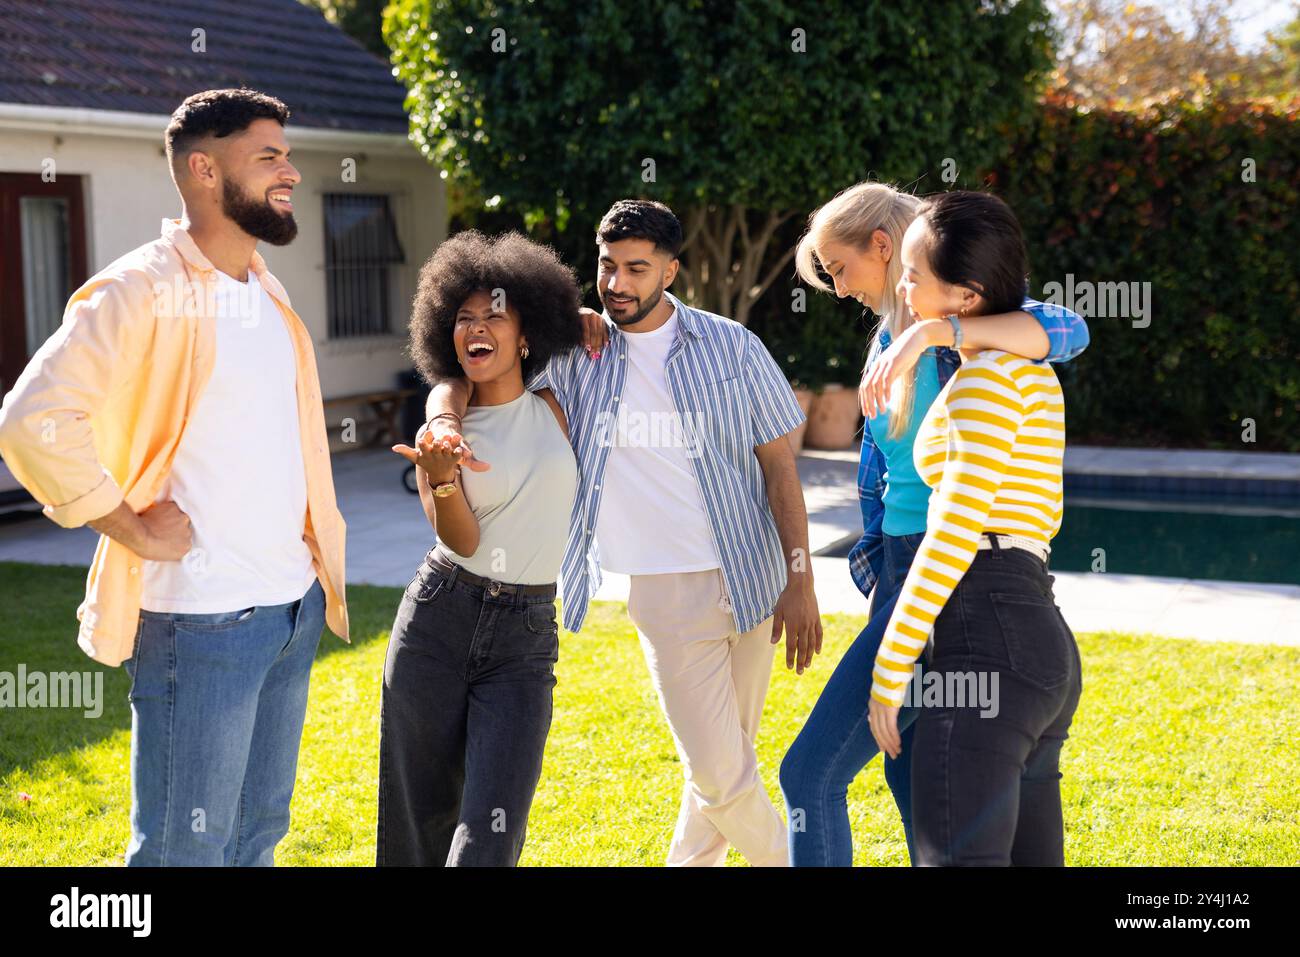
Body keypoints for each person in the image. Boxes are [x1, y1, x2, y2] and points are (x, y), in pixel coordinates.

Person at [0, 89, 348, 866]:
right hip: (203, 625)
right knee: (180, 854)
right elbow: (32, 419)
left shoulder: (267, 288)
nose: (289, 170)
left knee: (256, 838)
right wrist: (126, 523)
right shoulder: (140, 288)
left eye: (285, 154)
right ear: (203, 169)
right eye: (268, 156)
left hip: (290, 610)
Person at [425, 199, 819, 867]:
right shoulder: (573, 352)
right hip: (665, 593)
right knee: (725, 777)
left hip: (753, 576)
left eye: (637, 268)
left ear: (671, 269)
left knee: (722, 772)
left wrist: (801, 578)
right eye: (608, 266)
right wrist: (443, 417)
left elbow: (778, 465)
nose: (618, 284)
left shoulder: (732, 344)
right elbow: (470, 367)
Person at [778, 181, 1088, 866]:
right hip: (905, 574)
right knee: (915, 774)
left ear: (882, 247)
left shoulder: (964, 337)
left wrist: (936, 330)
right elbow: (884, 481)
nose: (835, 288)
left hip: (951, 578)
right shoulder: (887, 342)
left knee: (811, 773)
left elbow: (1070, 329)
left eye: (838, 269)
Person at [867, 189, 1082, 866]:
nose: (901, 287)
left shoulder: (985, 383)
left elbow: (956, 531)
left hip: (986, 638)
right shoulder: (1029, 367)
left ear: (965, 295)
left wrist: (891, 662)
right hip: (1033, 639)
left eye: (913, 276)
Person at [378, 230, 582, 866]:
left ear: (527, 335)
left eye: (495, 312)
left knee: (492, 830)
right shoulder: (442, 433)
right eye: (463, 318)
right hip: (439, 617)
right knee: (417, 821)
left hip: (524, 638)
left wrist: (592, 316)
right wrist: (439, 469)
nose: (477, 327)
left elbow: (610, 338)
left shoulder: (557, 402)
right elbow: (460, 539)